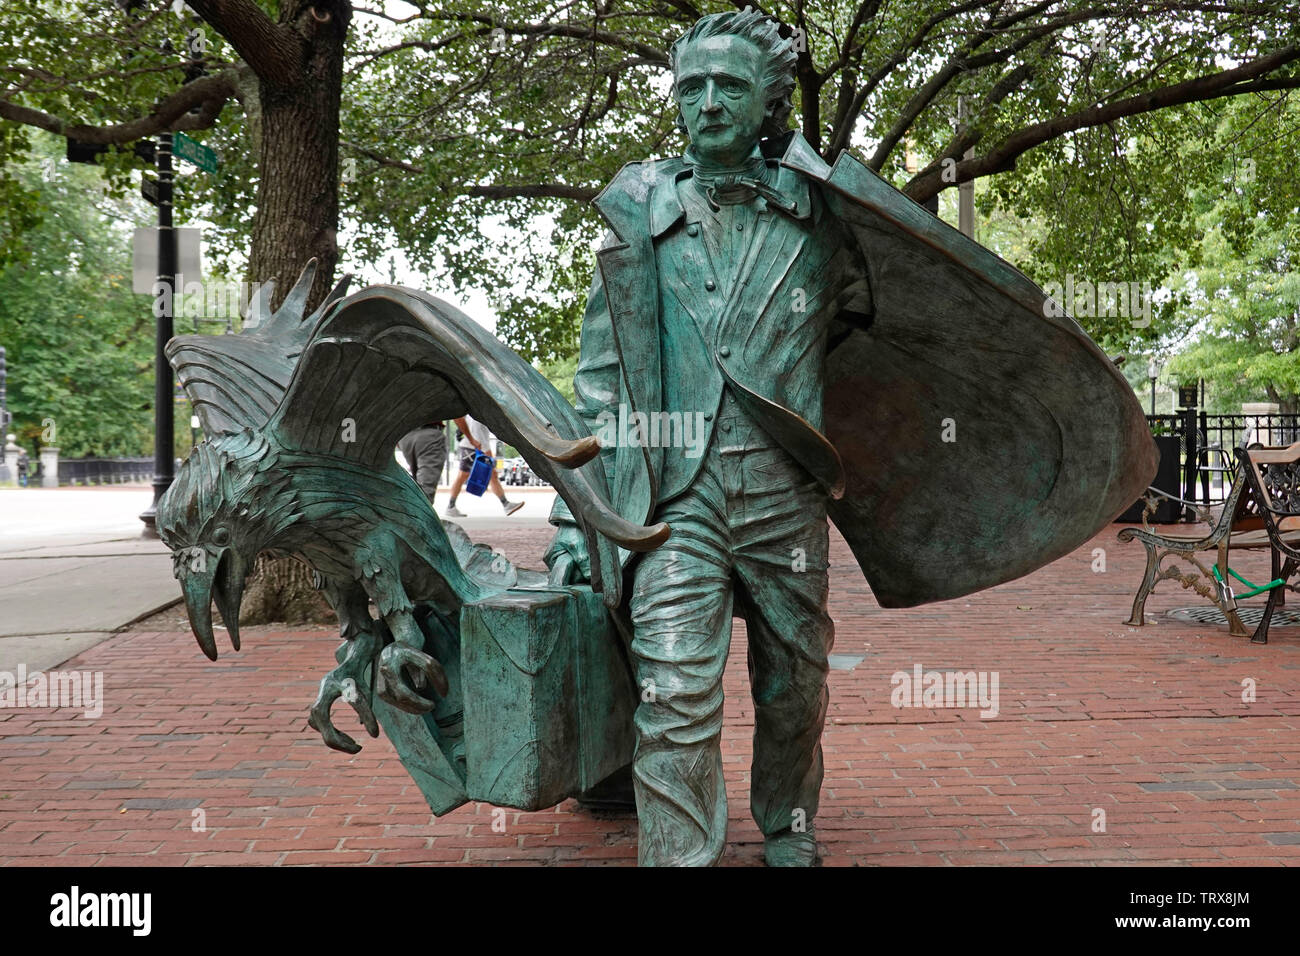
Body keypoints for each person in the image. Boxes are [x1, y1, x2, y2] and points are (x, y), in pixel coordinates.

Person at [543, 9, 873, 866]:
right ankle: (677, 853)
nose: (710, 101)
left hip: (782, 490)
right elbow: (601, 381)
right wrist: (577, 512)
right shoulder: (635, 220)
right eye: (693, 86)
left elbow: (886, 340)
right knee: (675, 685)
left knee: (795, 683)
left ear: (769, 99)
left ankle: (790, 823)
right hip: (674, 495)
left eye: (731, 84)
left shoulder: (827, 216)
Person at [445, 415, 523, 517]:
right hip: (473, 447)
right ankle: (450, 506)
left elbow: (488, 428)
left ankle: (506, 504)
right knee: (463, 476)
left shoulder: (481, 412)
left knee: (491, 475)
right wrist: (485, 450)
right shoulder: (477, 412)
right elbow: (477, 430)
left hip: (474, 446)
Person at [397, 422, 447, 507]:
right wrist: (471, 439)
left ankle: (412, 515)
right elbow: (460, 416)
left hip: (405, 435)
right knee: (425, 489)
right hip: (429, 434)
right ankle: (415, 518)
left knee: (418, 486)